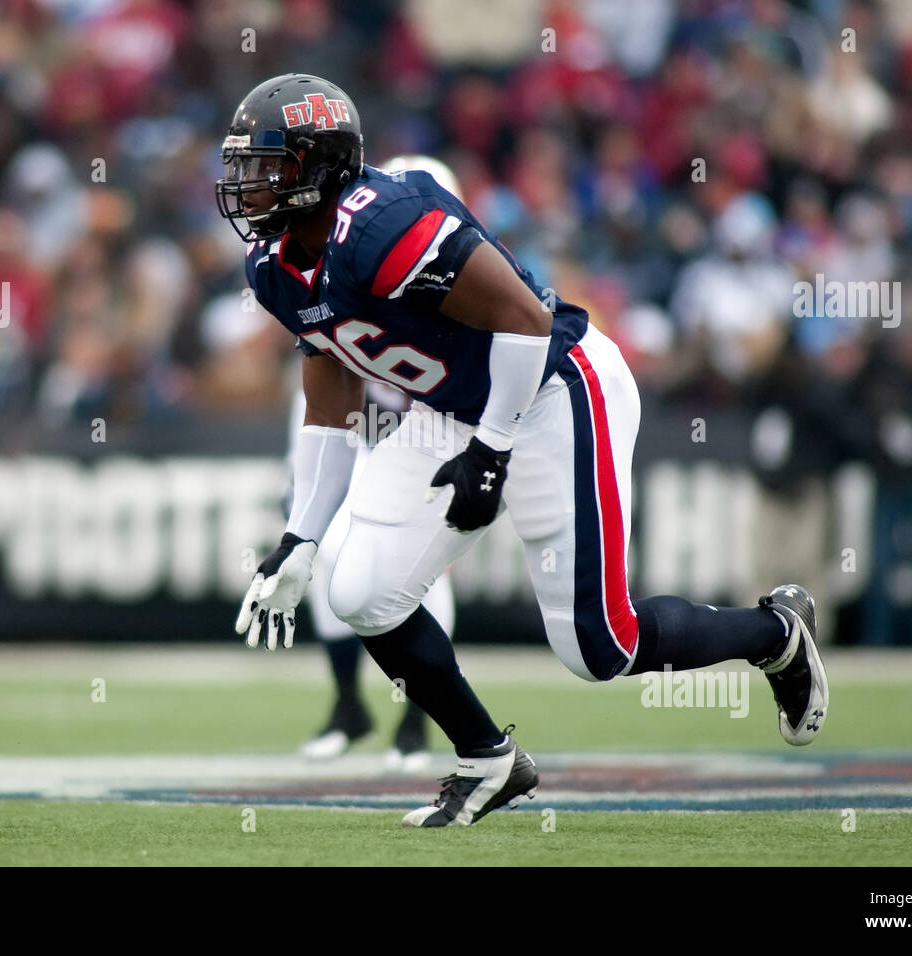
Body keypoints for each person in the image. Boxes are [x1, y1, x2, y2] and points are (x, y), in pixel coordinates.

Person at [219, 74, 829, 827]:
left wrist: (492, 449)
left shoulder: (380, 224)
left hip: (553, 386)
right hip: (456, 408)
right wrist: (301, 537)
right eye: (243, 166)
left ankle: (777, 634)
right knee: (360, 592)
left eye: (267, 164)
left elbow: (524, 317)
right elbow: (331, 397)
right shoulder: (274, 268)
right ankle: (487, 759)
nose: (247, 185)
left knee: (599, 647)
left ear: (319, 165)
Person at [292, 156, 465, 771]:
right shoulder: (345, 275)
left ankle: (418, 717)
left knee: (414, 575)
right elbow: (320, 385)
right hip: (361, 439)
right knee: (325, 555)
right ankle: (348, 705)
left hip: (433, 441)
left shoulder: (464, 285)